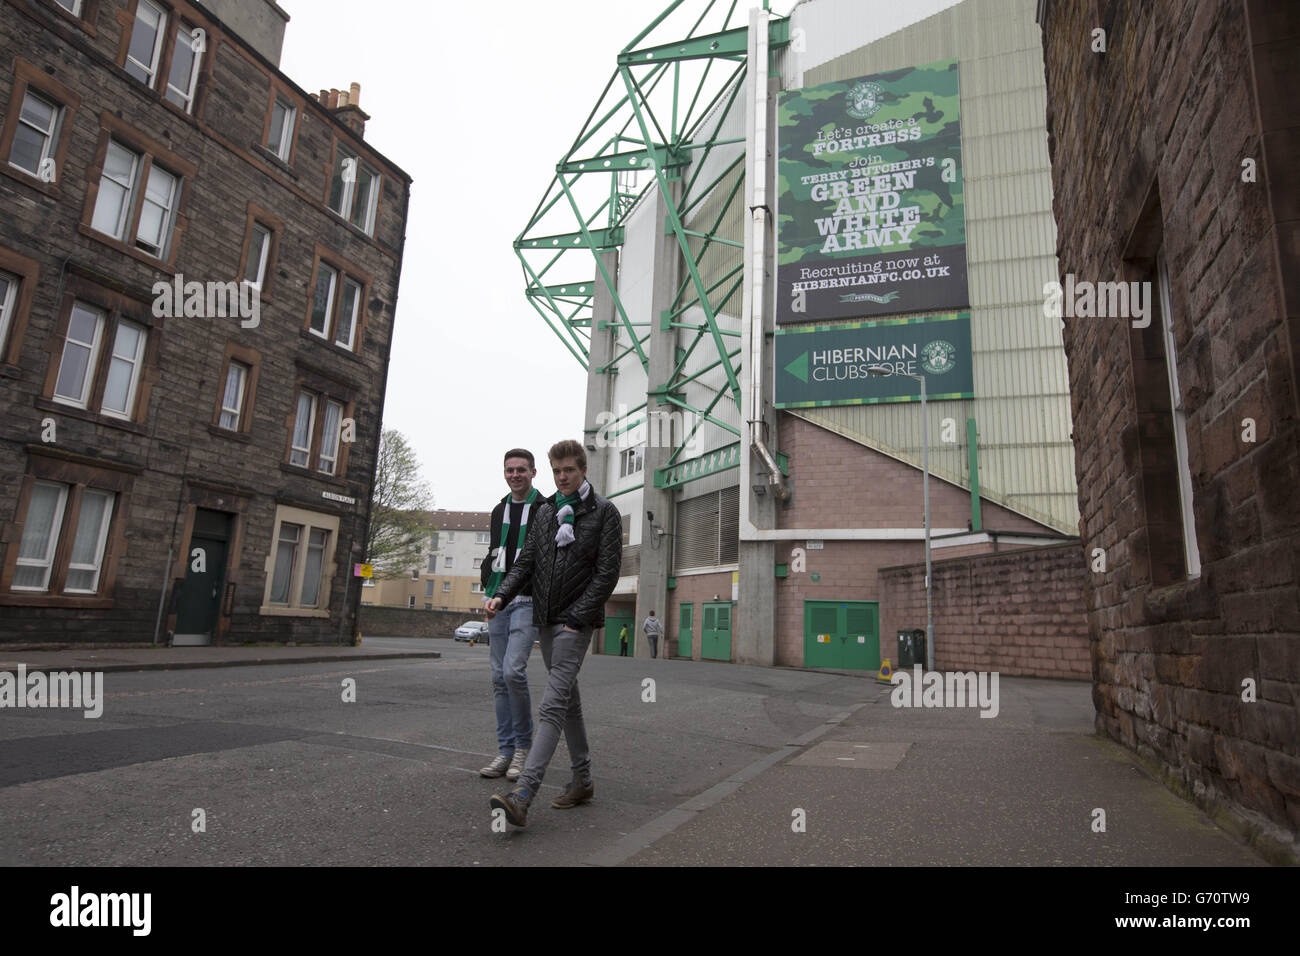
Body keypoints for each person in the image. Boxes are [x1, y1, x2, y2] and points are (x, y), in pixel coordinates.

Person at [486, 439, 622, 827]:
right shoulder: (546, 513)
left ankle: (524, 793)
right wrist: (501, 594)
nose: (563, 477)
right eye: (557, 471)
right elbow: (527, 561)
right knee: (568, 701)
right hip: (545, 619)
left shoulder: (604, 512)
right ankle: (583, 779)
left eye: (570, 471)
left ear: (583, 470)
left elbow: (607, 573)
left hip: (574, 623)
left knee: (551, 704)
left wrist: (578, 618)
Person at [477, 449, 542, 782]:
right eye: (509, 470)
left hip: (527, 599)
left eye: (521, 470)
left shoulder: (546, 508)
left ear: (533, 472)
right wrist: (488, 587)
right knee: (498, 678)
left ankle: (522, 749)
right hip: (498, 600)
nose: (514, 475)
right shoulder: (499, 509)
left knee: (513, 671)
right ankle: (504, 752)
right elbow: (493, 552)